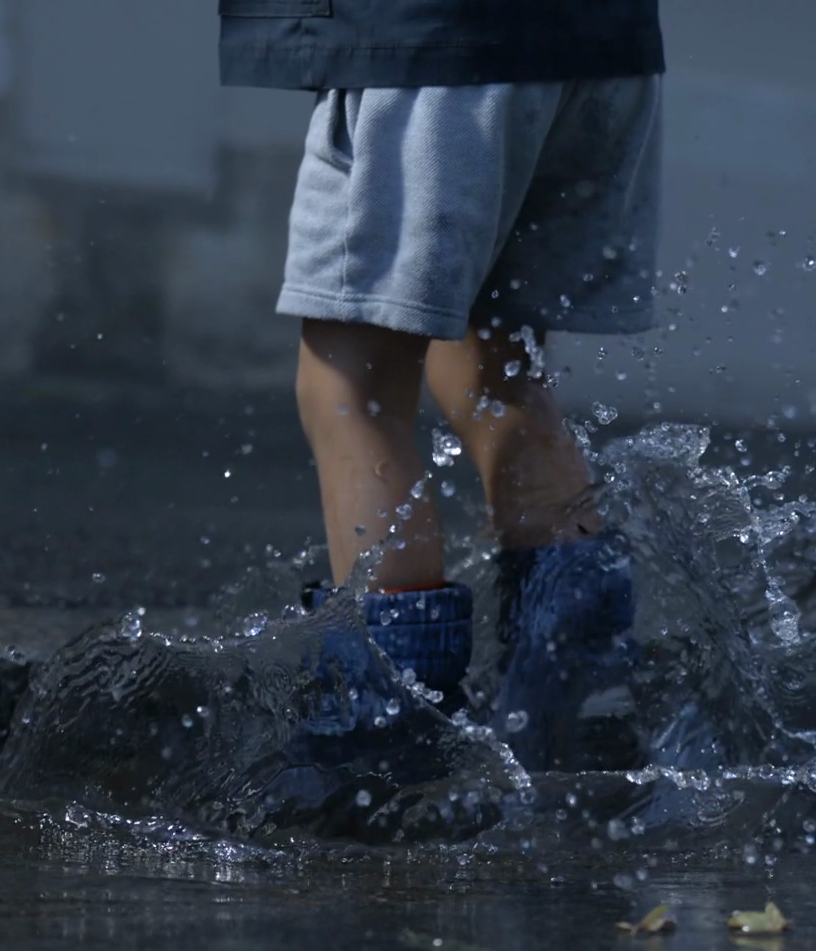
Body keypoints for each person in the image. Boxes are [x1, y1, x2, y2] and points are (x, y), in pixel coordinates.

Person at [218, 0, 669, 775]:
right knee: (495, 360)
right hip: (602, 50)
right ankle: (567, 649)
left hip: (426, 46)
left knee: (349, 389)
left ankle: (388, 732)